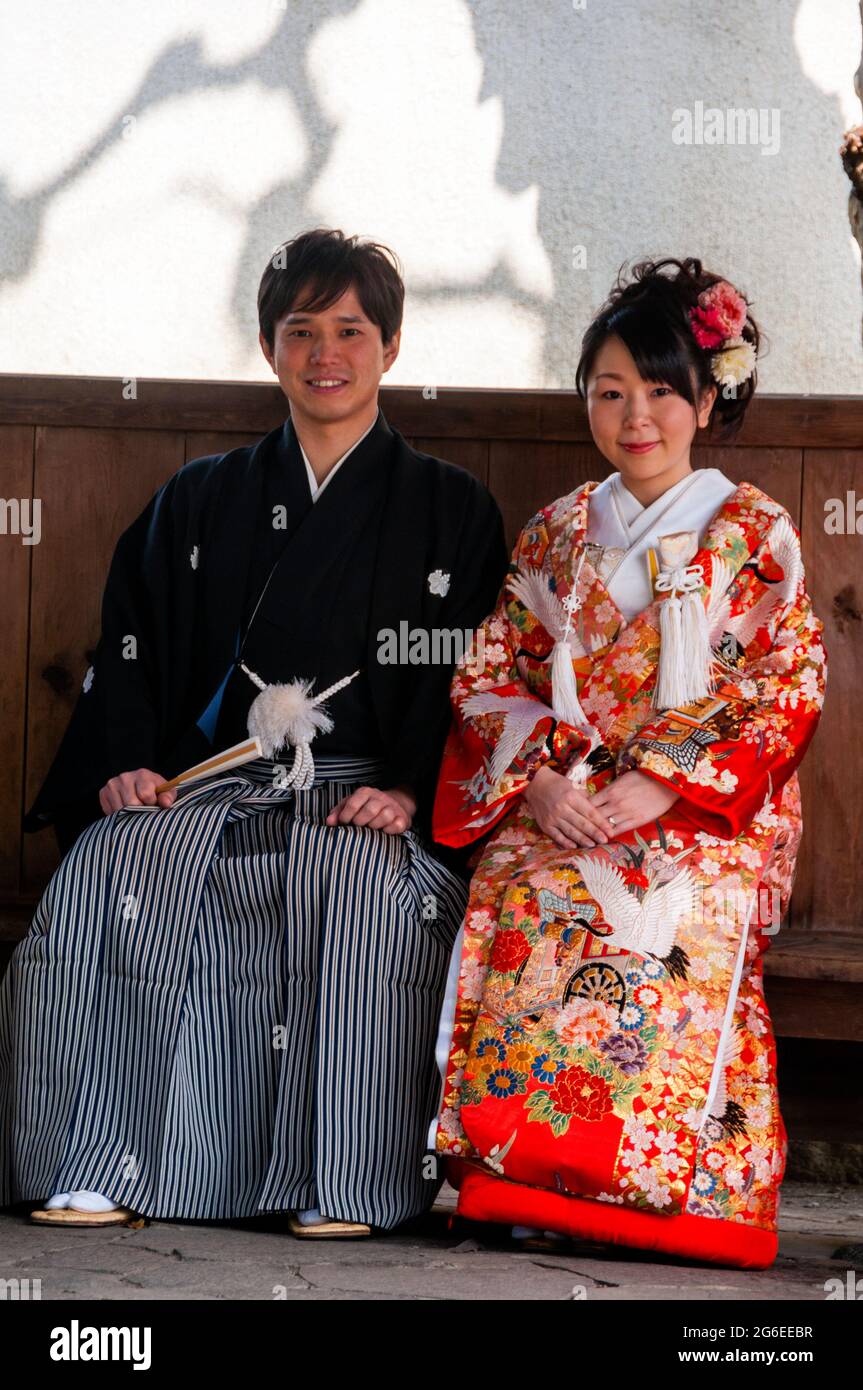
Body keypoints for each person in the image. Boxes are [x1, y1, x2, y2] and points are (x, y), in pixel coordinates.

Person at [0, 228, 508, 1236]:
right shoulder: (197, 501)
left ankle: (347, 1179)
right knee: (117, 867)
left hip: (363, 784)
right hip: (211, 784)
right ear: (270, 348)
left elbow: (471, 674)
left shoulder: (448, 509)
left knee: (364, 887)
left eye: (352, 330)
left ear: (391, 348)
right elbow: (132, 646)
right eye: (301, 329)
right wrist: (130, 765)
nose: (327, 352)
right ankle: (108, 1157)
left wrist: (410, 786)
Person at [429, 257, 827, 1270]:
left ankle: (683, 1198)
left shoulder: (752, 534)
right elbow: (488, 675)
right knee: (528, 895)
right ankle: (514, 1178)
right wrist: (542, 782)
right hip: (565, 798)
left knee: (675, 919)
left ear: (704, 397)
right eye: (608, 390)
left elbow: (783, 682)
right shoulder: (560, 531)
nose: (633, 414)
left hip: (697, 812)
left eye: (659, 389)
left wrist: (662, 779)